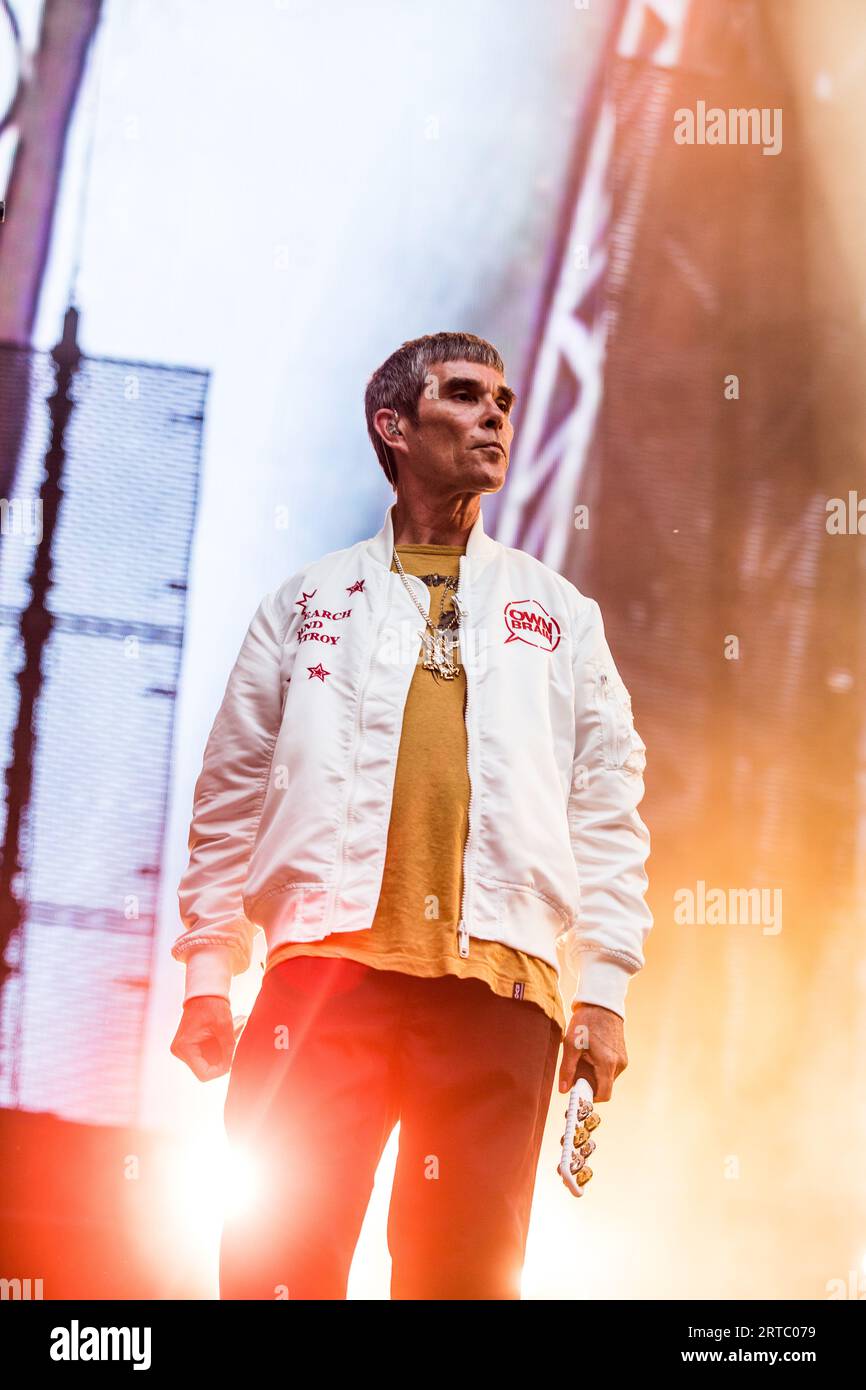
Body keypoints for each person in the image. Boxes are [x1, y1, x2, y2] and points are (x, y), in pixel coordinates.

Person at [169, 330, 652, 1300]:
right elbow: (225, 799)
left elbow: (607, 802)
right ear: (393, 425)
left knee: (463, 1280)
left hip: (499, 996)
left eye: (505, 402)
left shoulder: (558, 614)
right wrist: (205, 974)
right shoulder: (305, 605)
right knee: (276, 1270)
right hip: (320, 984)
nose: (496, 417)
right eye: (466, 395)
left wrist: (602, 985)